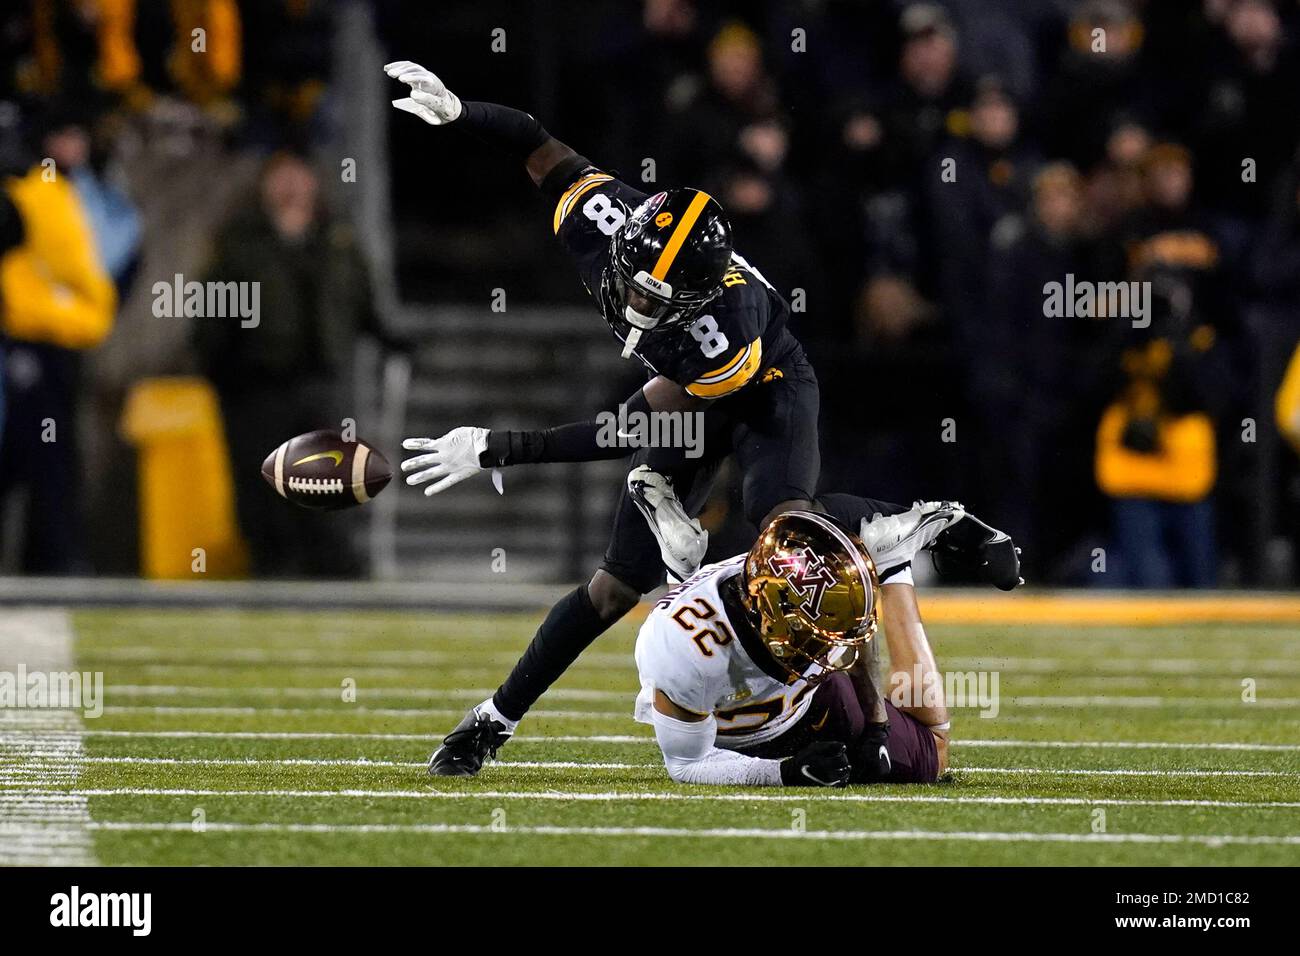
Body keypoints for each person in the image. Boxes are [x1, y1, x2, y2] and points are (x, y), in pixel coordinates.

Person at [384, 60, 1022, 776]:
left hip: (767, 384)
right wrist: (461, 110)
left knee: (790, 536)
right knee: (616, 584)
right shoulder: (603, 218)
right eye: (637, 286)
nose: (637, 307)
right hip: (683, 379)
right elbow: (537, 142)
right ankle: (490, 722)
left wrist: (498, 449)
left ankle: (920, 524)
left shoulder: (724, 330)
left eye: (660, 301)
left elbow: (636, 428)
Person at [633, 491, 953, 786]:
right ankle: (680, 571)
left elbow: (853, 628)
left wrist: (877, 727)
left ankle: (893, 565)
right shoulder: (682, 656)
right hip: (741, 727)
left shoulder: (774, 577)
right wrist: (784, 772)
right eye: (816, 635)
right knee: (932, 755)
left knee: (930, 752)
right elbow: (686, 765)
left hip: (804, 700)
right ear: (778, 625)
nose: (833, 649)